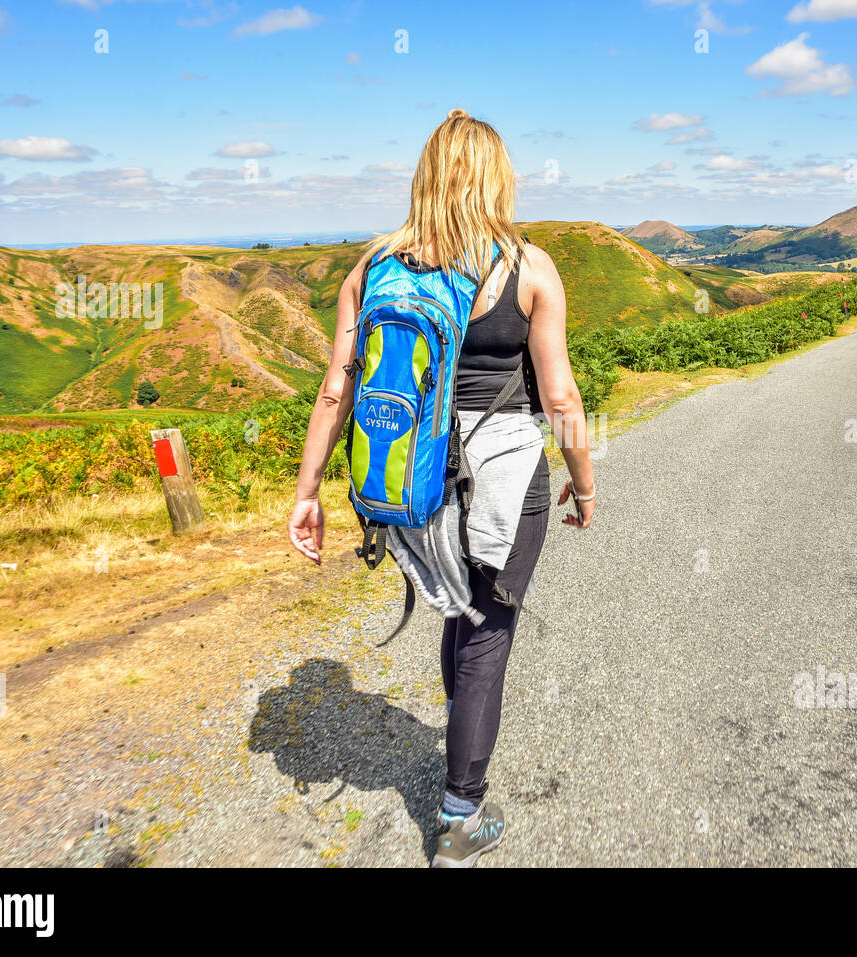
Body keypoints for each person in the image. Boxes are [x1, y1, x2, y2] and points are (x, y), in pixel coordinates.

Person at [287, 108, 596, 867]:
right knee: (489, 632)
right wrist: (584, 482)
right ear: (498, 177)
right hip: (505, 477)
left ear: (424, 174)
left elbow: (337, 387)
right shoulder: (529, 267)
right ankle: (459, 820)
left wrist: (307, 491)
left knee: (458, 611)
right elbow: (559, 399)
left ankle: (463, 728)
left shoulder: (374, 266)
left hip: (415, 480)